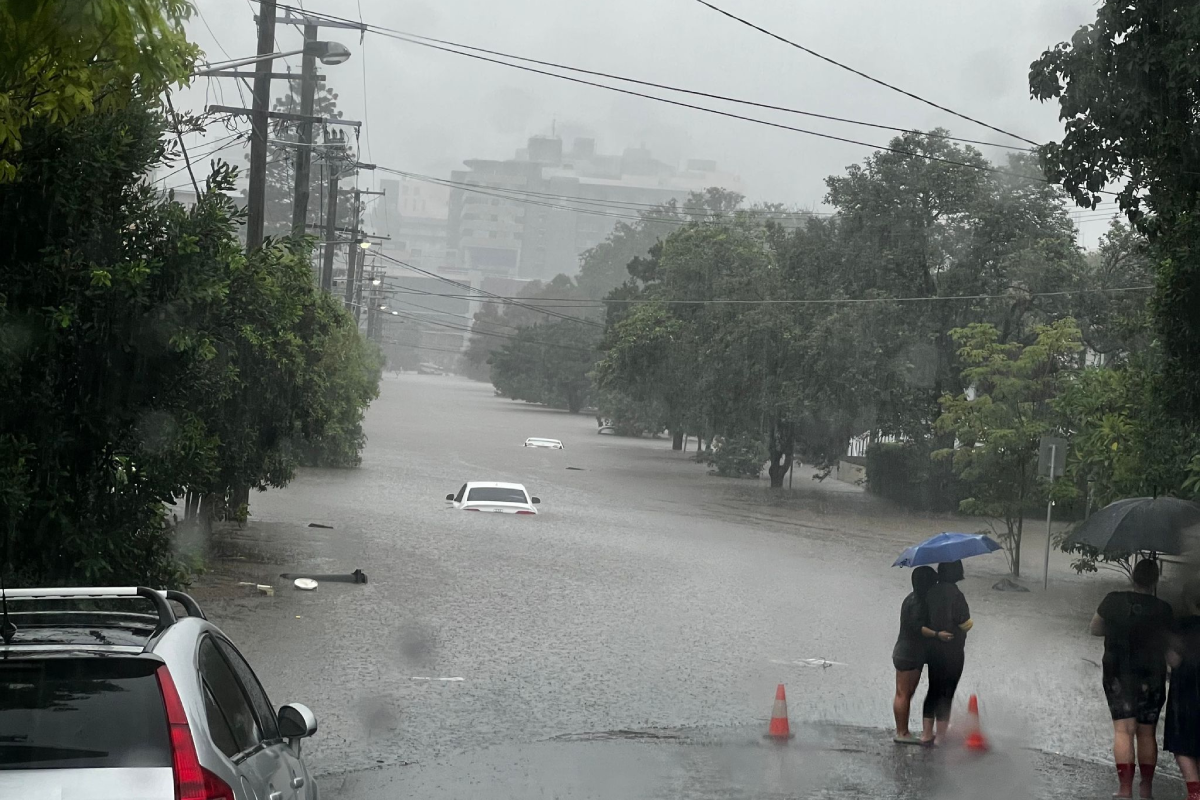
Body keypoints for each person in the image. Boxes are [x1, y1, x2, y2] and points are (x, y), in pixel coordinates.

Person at [1091, 559, 1174, 800]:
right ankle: (1146, 789)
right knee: (1147, 733)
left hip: (1118, 672)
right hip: (1152, 674)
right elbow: (1169, 644)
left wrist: (1119, 629)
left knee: (1124, 731)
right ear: (1155, 581)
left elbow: (1095, 628)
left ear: (1132, 578)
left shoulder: (1112, 600)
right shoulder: (1164, 609)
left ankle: (1125, 790)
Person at [920, 560, 973, 745]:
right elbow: (964, 622)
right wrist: (969, 625)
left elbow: (923, 619)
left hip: (932, 648)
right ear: (958, 572)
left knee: (933, 689)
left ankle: (926, 734)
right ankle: (940, 737)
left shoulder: (930, 592)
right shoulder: (957, 594)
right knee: (947, 692)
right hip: (953, 650)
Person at [893, 566, 938, 744]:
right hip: (909, 654)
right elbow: (919, 629)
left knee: (906, 693)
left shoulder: (910, 599)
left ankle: (902, 731)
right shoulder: (919, 602)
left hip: (906, 652)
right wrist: (937, 634)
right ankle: (901, 732)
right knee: (903, 693)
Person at [1164, 578, 1200, 800]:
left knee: (1183, 744)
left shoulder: (1180, 625)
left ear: (1188, 599)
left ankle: (1195, 793)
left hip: (1185, 689)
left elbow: (1173, 660)